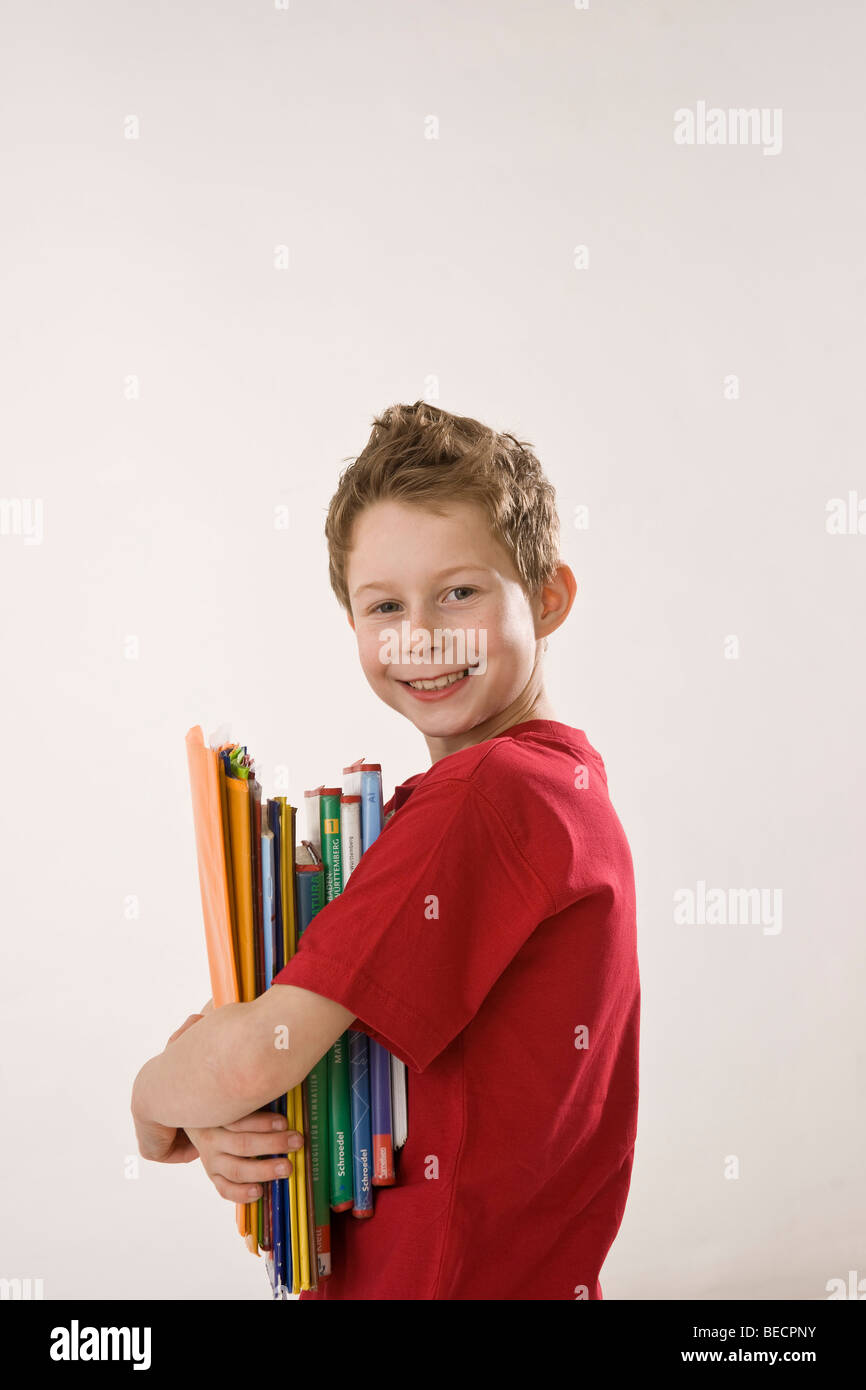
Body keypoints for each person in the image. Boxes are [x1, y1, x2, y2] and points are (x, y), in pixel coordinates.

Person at [131, 401, 640, 1299]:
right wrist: (230, 1105)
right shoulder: (561, 789)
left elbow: (256, 1056)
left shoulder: (482, 800)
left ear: (549, 596)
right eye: (384, 605)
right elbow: (297, 1044)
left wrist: (152, 1100)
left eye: (460, 592)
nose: (421, 635)